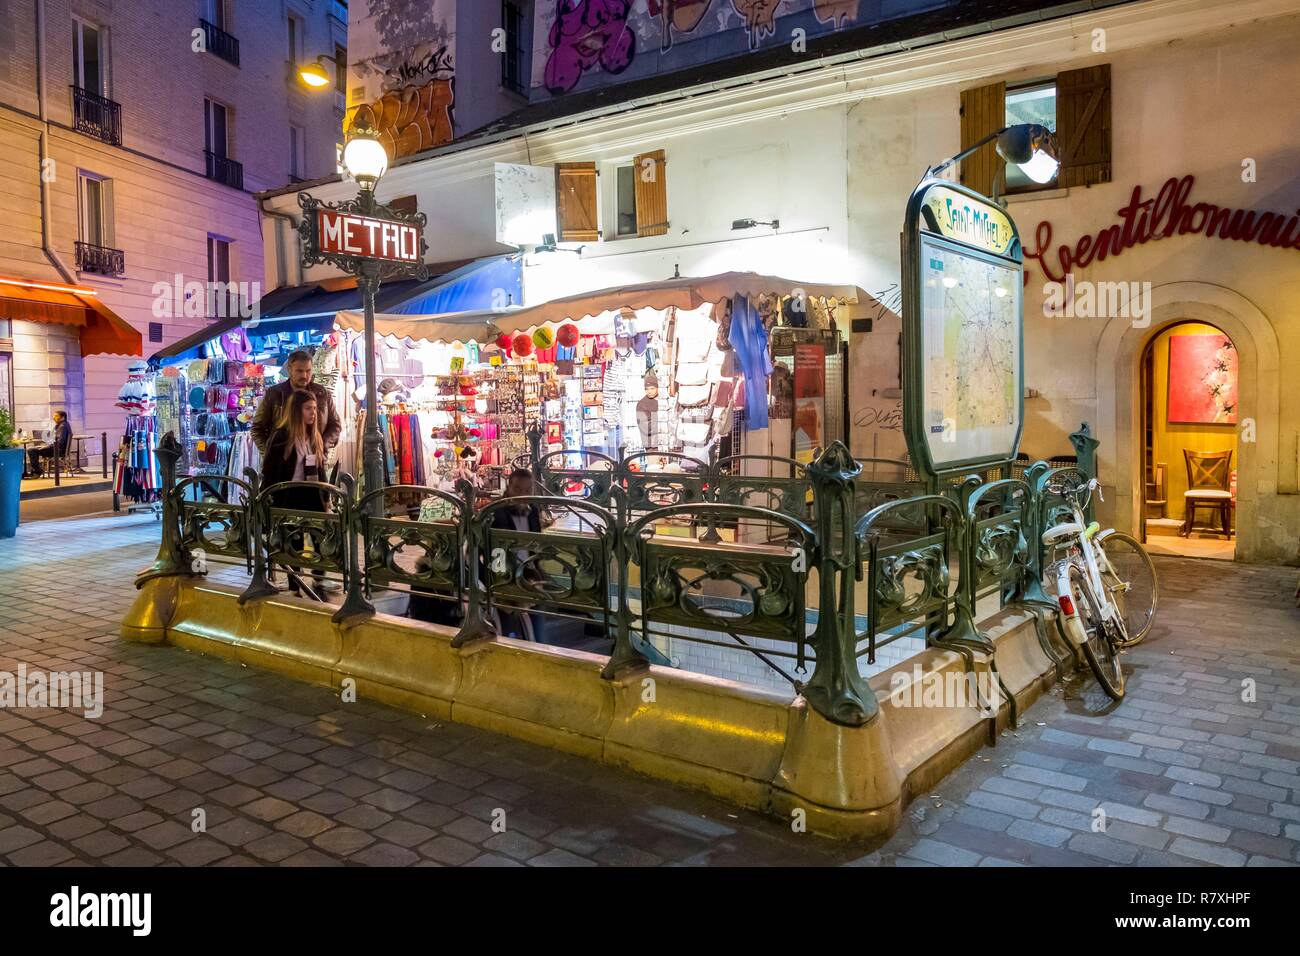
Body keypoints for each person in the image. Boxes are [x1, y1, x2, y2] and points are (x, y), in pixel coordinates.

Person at [260, 389, 334, 596]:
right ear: (296, 410)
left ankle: (319, 576)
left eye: (315, 409)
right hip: (288, 493)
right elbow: (270, 470)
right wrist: (268, 497)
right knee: (294, 539)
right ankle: (296, 583)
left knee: (320, 535)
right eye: (308, 409)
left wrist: (326, 499)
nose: (313, 413)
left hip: (311, 492)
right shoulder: (282, 436)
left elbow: (320, 469)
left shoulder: (314, 435)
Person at [252, 350, 341, 455]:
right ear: (289, 370)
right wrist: (271, 454)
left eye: (308, 371)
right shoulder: (274, 393)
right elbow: (257, 428)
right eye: (299, 371)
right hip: (283, 463)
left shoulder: (322, 393)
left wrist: (323, 445)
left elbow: (335, 425)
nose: (304, 375)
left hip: (314, 459)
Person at [27, 411, 73, 478]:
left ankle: (37, 471)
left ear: (62, 417)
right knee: (34, 449)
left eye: (56, 416)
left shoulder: (62, 426)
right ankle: (36, 471)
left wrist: (46, 446)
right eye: (54, 416)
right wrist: (45, 445)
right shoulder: (63, 424)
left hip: (57, 450)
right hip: (56, 449)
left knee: (31, 450)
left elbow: (59, 442)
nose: (54, 418)